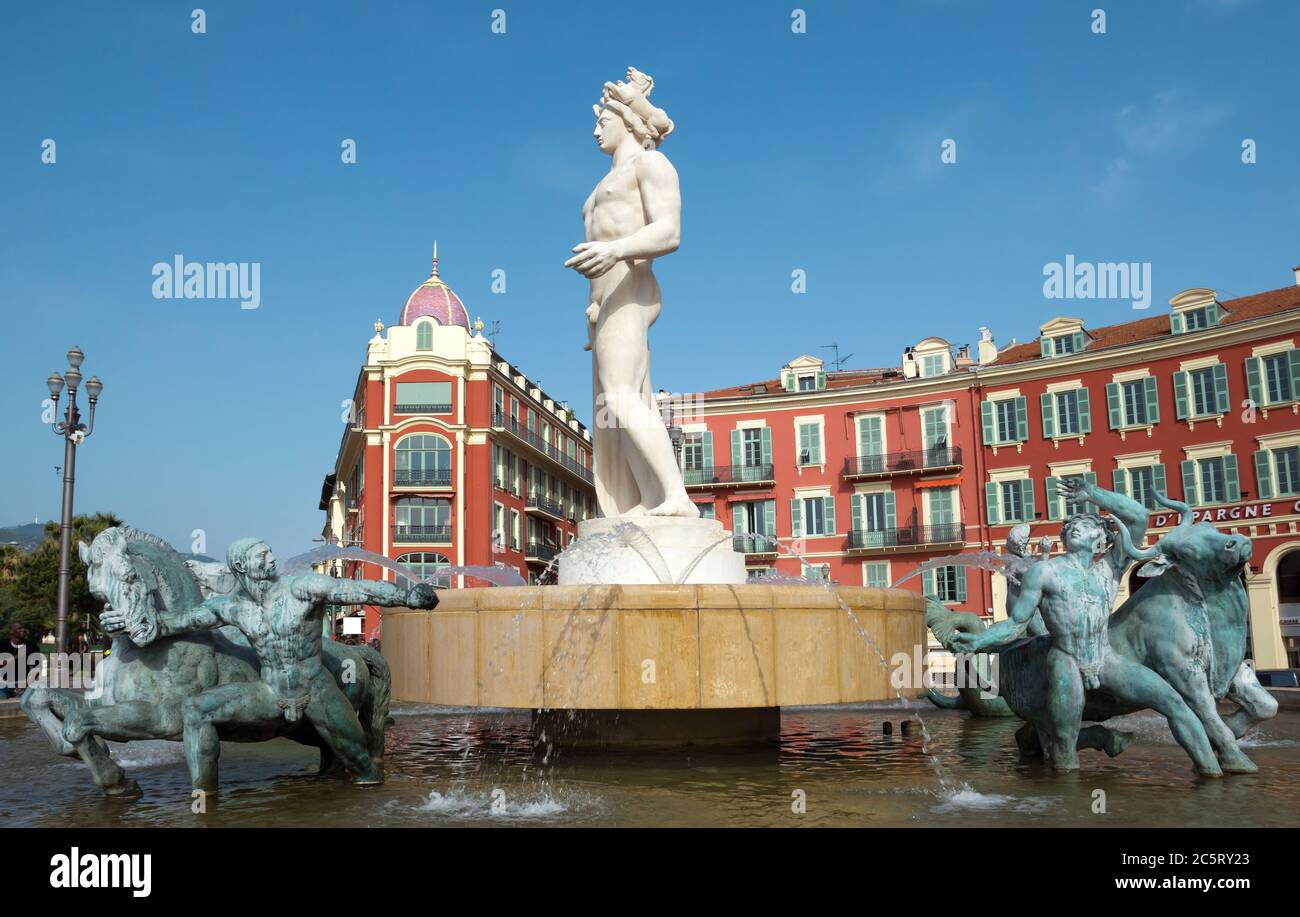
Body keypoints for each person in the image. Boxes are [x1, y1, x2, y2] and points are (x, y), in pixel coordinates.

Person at [99, 537, 436, 789]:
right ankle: (206, 799)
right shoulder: (230, 606)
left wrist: (406, 596)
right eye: (262, 555)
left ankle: (369, 799)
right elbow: (173, 622)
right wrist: (123, 622)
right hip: (269, 690)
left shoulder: (301, 588)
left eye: (269, 551)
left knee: (363, 767)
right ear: (243, 567)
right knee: (196, 709)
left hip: (315, 688)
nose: (271, 558)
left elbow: (355, 589)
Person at [953, 478, 1222, 775]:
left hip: (1106, 658)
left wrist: (1092, 494)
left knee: (1174, 701)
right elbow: (1017, 622)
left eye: (1085, 524)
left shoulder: (1110, 567)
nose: (1074, 526)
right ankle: (1071, 802)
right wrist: (978, 643)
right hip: (1065, 659)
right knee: (1064, 740)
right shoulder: (1045, 571)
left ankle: (1213, 772)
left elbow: (1138, 516)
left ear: (1101, 540)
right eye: (1071, 526)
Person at [564, 67, 696, 519]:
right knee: (615, 407)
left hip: (633, 291)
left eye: (604, 119)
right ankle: (645, 501)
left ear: (627, 119)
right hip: (605, 303)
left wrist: (615, 250)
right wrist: (593, 306)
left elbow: (670, 231)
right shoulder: (600, 186)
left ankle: (677, 498)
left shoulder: (651, 165)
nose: (596, 127)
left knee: (621, 398)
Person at [0, 622, 40, 699]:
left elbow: (37, 669)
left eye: (24, 628)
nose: (23, 630)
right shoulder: (2, 645)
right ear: (12, 631)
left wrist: (28, 684)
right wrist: (16, 657)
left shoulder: (32, 647)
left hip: (22, 686)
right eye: (20, 628)